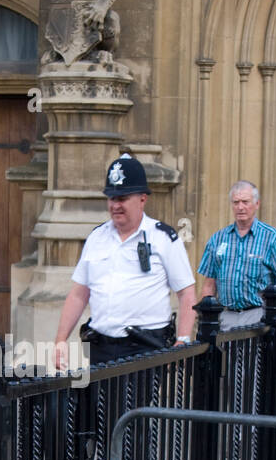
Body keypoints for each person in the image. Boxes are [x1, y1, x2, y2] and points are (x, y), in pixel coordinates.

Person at [53, 153, 196, 367]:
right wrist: (60, 340)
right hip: (100, 347)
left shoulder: (164, 238)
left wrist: (183, 340)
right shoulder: (96, 237)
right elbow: (78, 294)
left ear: (142, 199)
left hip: (145, 348)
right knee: (97, 402)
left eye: (122, 199)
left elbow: (186, 292)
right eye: (112, 198)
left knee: (142, 403)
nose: (115, 205)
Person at [198, 181, 276, 330]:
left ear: (257, 204)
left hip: (257, 314)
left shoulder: (271, 238)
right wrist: (206, 317)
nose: (240, 207)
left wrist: (274, 313)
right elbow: (209, 283)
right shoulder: (217, 239)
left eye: (245, 202)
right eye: (236, 202)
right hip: (225, 317)